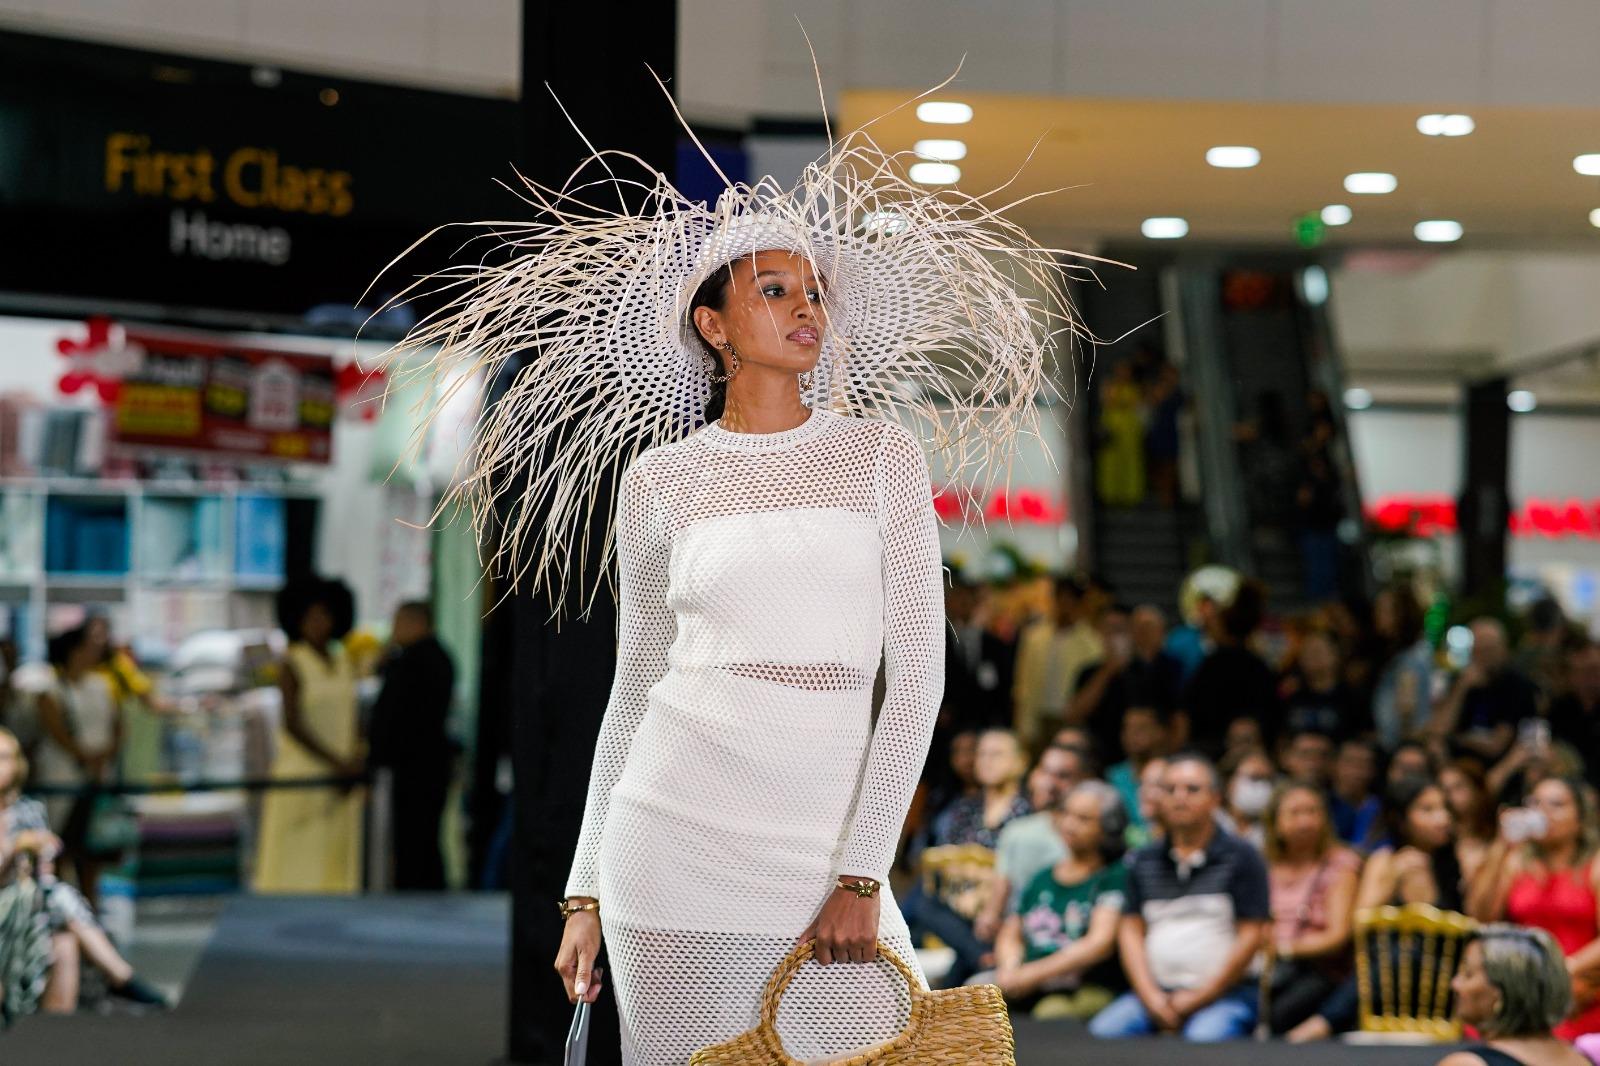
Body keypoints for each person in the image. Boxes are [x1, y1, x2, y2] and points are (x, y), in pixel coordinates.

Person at [1088, 754, 1271, 1041]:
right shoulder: (1143, 860)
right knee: (1106, 1032)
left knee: (1203, 1038)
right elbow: (1130, 930)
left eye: (1192, 789)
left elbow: (1253, 935)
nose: (1179, 798)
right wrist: (1152, 997)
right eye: (1170, 789)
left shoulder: (1242, 857)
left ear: (1215, 798)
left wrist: (1199, 997)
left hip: (1228, 994)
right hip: (1156, 992)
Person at [0, 727, 165, 1012]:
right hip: (10, 907)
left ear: (17, 763)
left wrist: (41, 853)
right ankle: (119, 976)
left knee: (63, 940)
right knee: (58, 897)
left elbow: (44, 872)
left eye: (4, 757)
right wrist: (17, 846)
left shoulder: (28, 809)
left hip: (29, 908)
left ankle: (56, 1038)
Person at [1288, 775, 1464, 1041]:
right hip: (1389, 979)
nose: (1441, 819)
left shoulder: (1453, 861)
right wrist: (1393, 881)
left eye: (1444, 809)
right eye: (1427, 810)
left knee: (1409, 951)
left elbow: (1471, 925)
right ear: (1401, 818)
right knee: (1400, 951)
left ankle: (1325, 1021)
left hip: (1444, 977)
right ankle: (1326, 1020)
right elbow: (1359, 923)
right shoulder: (1385, 859)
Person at [980, 781, 1129, 1019]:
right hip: (1025, 978)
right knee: (972, 997)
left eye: (1083, 819)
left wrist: (1030, 975)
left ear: (1108, 827)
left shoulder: (1112, 876)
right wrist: (1009, 968)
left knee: (1051, 1013)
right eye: (1066, 814)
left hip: (1083, 985)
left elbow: (1099, 944)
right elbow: (1012, 929)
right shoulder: (1043, 876)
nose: (1069, 824)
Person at [254, 576, 365, 894]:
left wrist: (355, 756)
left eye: (324, 615)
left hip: (341, 779)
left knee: (334, 863)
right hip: (303, 774)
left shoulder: (344, 660)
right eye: (311, 616)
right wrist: (335, 762)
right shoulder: (292, 662)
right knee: (295, 863)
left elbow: (354, 715)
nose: (318, 624)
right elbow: (293, 723)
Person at [1466, 777, 1600, 1039]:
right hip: (1523, 985)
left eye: (1556, 804)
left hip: (1580, 986)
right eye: (1536, 803)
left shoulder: (1595, 865)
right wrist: (1500, 846)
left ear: (1580, 818)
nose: (1544, 812)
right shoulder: (1516, 862)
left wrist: (1563, 969)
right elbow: (1481, 917)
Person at [367, 601, 457, 891]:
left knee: (413, 838)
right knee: (424, 837)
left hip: (414, 765)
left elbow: (394, 716)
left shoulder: (414, 662)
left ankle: (415, 893)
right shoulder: (438, 658)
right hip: (428, 762)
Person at [972, 743, 1094, 945]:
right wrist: (990, 924)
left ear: (1082, 781)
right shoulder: (1017, 830)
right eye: (1045, 771)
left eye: (1063, 776)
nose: (1050, 783)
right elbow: (999, 894)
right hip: (1009, 934)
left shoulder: (1086, 838)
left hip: (1059, 938)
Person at [34, 625, 122, 905]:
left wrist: (104, 756)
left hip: (97, 777)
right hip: (64, 779)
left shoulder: (102, 685)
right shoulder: (51, 689)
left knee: (92, 850)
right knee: (61, 846)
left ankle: (89, 910)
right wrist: (86, 757)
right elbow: (55, 729)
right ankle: (63, 913)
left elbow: (119, 725)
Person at [1263, 783, 1361, 1034]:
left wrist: (1283, 949)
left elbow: (1338, 935)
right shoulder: (1261, 865)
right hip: (1265, 968)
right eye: (1295, 813)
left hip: (1319, 969)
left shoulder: (1340, 864)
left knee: (1282, 1012)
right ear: (1275, 823)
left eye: (1312, 812)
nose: (1305, 822)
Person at [1438, 925, 1590, 1066]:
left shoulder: (1467, 1063)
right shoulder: (1582, 1059)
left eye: (1468, 974)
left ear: (1502, 993)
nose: (1455, 984)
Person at [1070, 604, 1184, 765]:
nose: (1115, 637)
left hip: (1144, 761)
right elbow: (1073, 714)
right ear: (1100, 633)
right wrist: (1108, 670)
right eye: (1109, 629)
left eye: (1121, 630)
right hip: (1098, 758)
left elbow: (1177, 718)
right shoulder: (1089, 672)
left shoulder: (1153, 670)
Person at [1184, 580, 1278, 757]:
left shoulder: (1212, 665)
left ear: (1224, 624)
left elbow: (1192, 711)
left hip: (1211, 750)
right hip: (1248, 752)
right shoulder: (1259, 667)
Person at [1430, 617, 1540, 765]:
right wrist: (1462, 689)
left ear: (1503, 649)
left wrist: (1458, 739)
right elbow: (1439, 730)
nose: (1483, 657)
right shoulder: (1462, 679)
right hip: (1456, 763)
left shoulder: (1518, 686)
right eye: (1478, 650)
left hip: (1495, 766)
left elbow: (1496, 745)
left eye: (1489, 649)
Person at [1013, 575, 1104, 751]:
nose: (1064, 605)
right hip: (1037, 716)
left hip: (1070, 716)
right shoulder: (1034, 636)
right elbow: (1022, 682)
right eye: (1060, 598)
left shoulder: (1091, 642)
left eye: (1070, 599)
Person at [1371, 584, 1436, 753]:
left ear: (1401, 615)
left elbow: (1407, 707)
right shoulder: (1400, 654)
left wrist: (1405, 747)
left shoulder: (1410, 658)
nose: (1377, 616)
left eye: (1383, 610)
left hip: (1399, 746)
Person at [1282, 630, 1369, 743]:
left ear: (1336, 655)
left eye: (1318, 651)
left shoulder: (1353, 698)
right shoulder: (1292, 697)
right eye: (1306, 651)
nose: (1311, 657)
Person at [1108, 704, 1173, 837]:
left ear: (1161, 732)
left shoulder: (1175, 774)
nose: (1132, 735)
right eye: (1127, 728)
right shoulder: (1112, 776)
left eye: (1141, 728)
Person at [1549, 642, 1600, 790]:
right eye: (1583, 671)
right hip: (1572, 787)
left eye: (1595, 669)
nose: (1591, 678)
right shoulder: (1559, 709)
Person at [1097, 359, 1146, 507]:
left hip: (1129, 431)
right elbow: (1108, 401)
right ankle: (1110, 495)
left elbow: (1136, 403)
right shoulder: (1109, 386)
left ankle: (1131, 495)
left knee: (1130, 462)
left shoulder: (1134, 387)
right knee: (1110, 463)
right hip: (1112, 429)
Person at [1441, 760, 1496, 882]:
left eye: (1458, 787)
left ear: (1477, 789)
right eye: (1445, 790)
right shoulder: (1442, 837)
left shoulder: (1497, 828)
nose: (1450, 796)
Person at [1220, 746, 1276, 850]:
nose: (1262, 786)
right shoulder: (1210, 822)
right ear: (1230, 783)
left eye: (1267, 779)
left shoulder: (1273, 831)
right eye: (1255, 778)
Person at [1329, 738, 1382, 847]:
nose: (1357, 770)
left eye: (1365, 764)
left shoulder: (1381, 809)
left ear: (1373, 770)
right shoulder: (1321, 803)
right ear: (1334, 765)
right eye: (1350, 762)